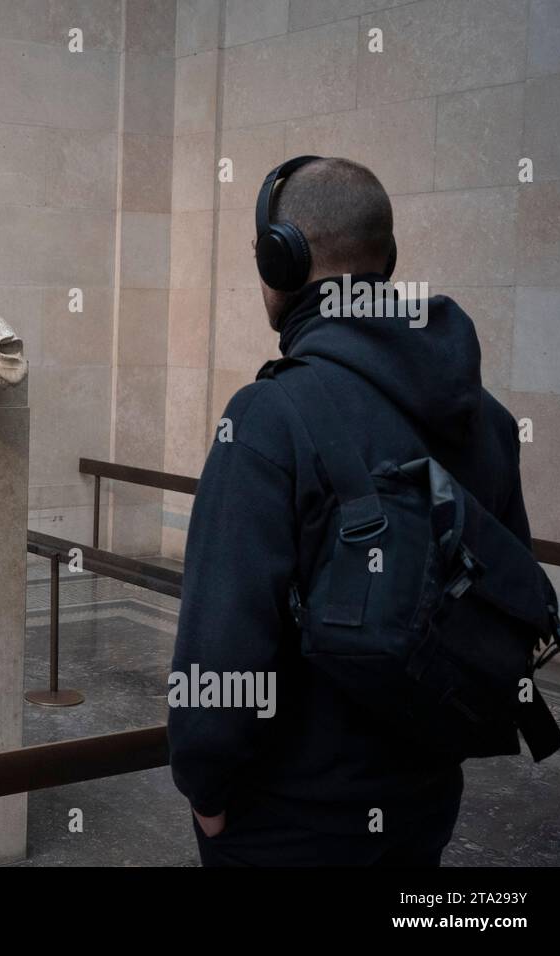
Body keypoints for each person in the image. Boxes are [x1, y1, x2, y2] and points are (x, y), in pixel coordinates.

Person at [167, 157, 533, 866]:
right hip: (424, 807)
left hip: (286, 825)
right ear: (386, 259)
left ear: (282, 256)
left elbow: (222, 644)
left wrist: (206, 794)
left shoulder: (267, 418)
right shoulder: (486, 420)